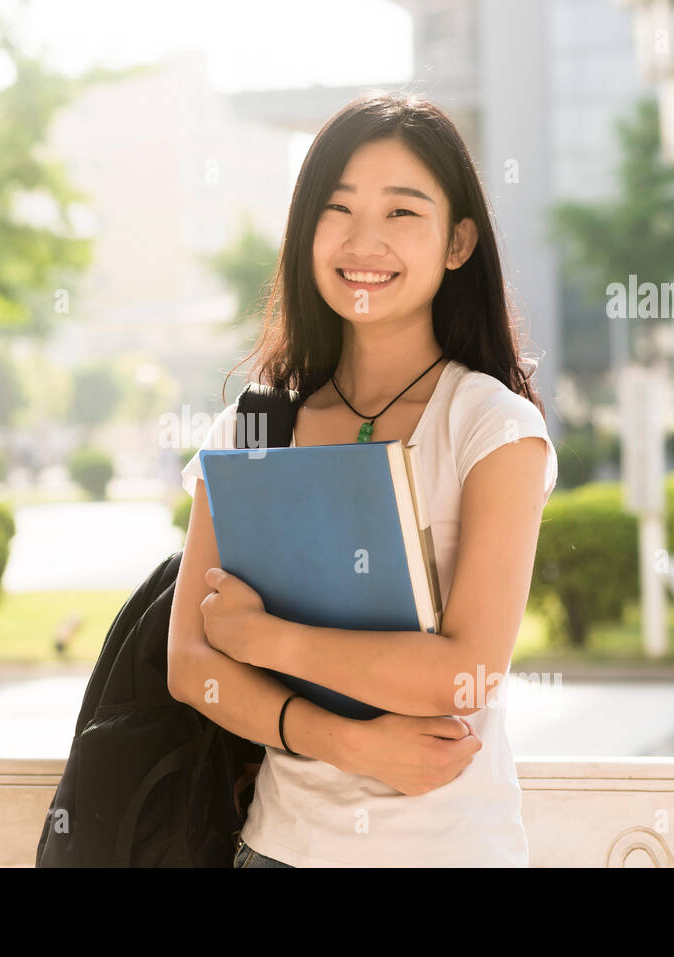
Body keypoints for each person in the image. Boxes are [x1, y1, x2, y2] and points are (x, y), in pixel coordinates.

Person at [169, 91, 558, 868]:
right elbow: (190, 664)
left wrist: (265, 638)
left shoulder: (490, 424)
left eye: (403, 213)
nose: (364, 241)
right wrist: (350, 740)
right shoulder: (257, 425)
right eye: (337, 210)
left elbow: (467, 670)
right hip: (276, 850)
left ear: (459, 242)